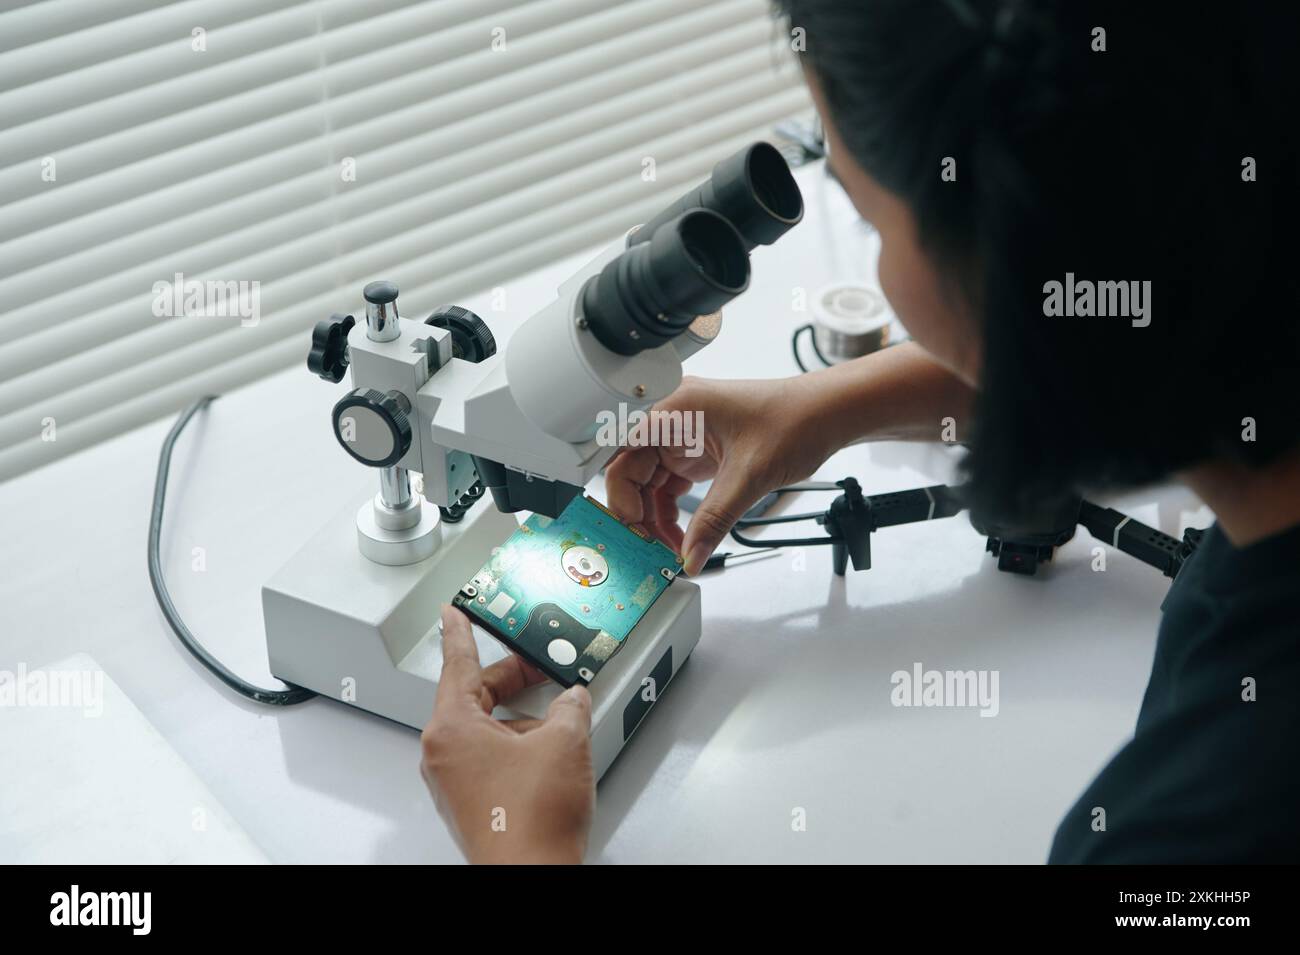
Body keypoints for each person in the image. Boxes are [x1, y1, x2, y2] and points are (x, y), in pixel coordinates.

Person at [419, 0, 1300, 863]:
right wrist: (831, 402)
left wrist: (524, 845)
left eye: (871, 220)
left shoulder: (1201, 823)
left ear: (1014, 250)